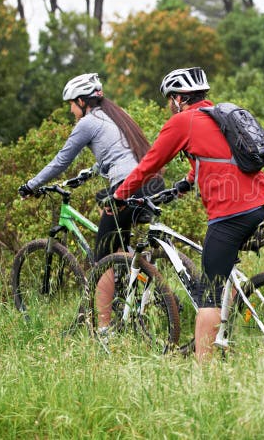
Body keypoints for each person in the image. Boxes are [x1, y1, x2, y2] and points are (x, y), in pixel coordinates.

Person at [112, 67, 264, 361]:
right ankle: (227, 336)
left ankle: (203, 376)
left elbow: (149, 164)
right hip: (260, 202)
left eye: (170, 100)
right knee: (222, 272)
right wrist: (186, 183)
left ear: (177, 99)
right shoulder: (218, 115)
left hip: (231, 212)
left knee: (208, 295)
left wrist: (120, 194)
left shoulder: (182, 122)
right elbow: (213, 155)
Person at [18, 73, 163, 332]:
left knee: (102, 258)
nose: (71, 110)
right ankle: (144, 271)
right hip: (148, 183)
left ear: (83, 102)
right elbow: (114, 156)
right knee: (119, 245)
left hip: (125, 186)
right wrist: (83, 176)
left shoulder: (88, 123)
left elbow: (61, 161)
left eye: (72, 104)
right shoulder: (117, 116)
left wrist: (31, 185)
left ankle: (103, 331)